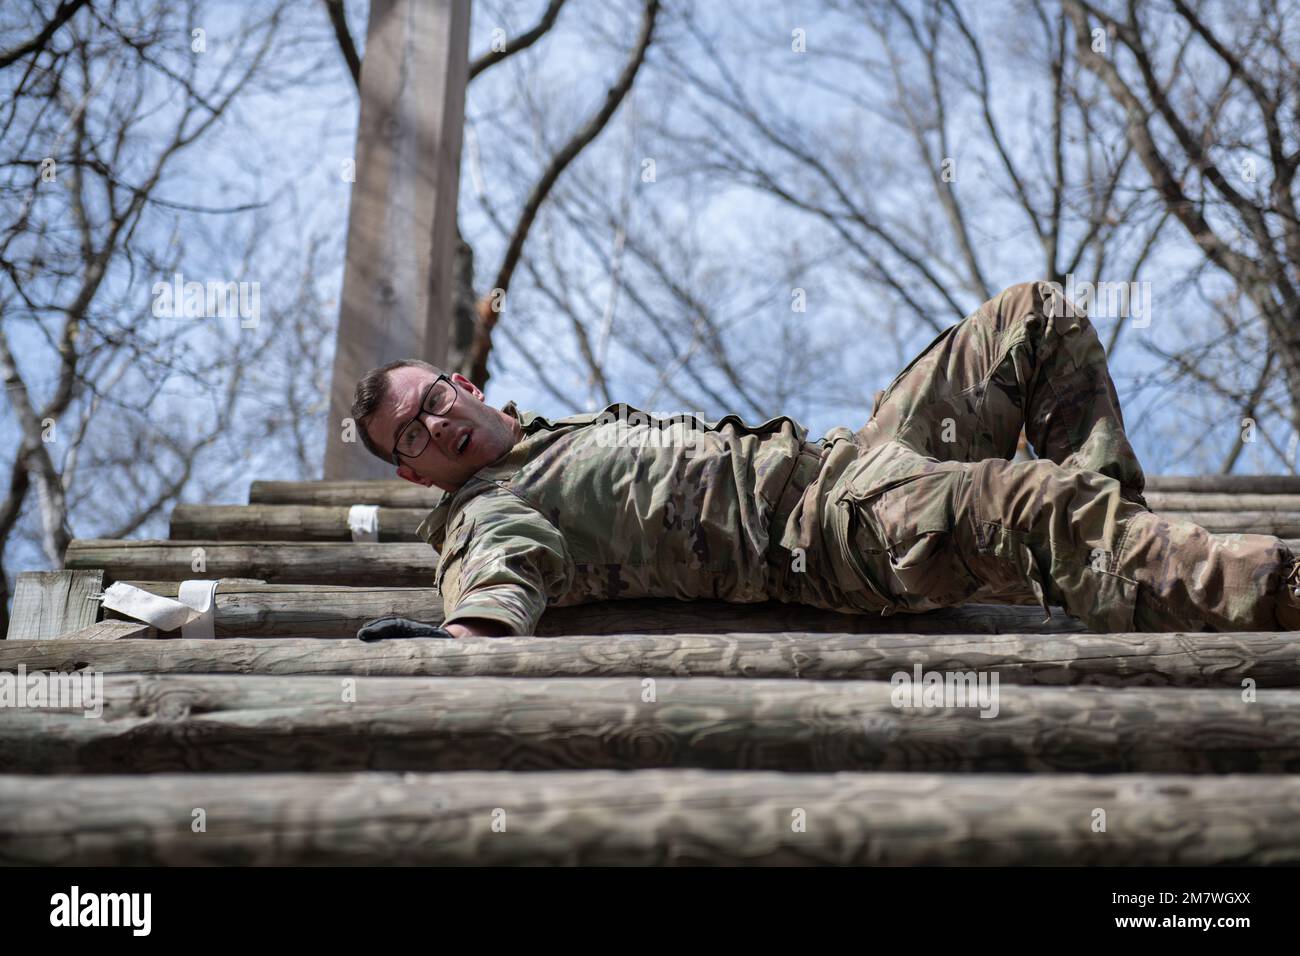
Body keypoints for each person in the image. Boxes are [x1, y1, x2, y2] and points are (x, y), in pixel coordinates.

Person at [349, 281, 1300, 640]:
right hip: (836, 535)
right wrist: (466, 637)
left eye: (433, 400)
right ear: (412, 475)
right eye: (412, 440)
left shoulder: (553, 431)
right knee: (1029, 500)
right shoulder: (485, 507)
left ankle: (1118, 564)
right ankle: (1266, 587)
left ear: (462, 381)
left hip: (857, 455)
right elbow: (498, 577)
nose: (434, 427)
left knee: (1033, 318)